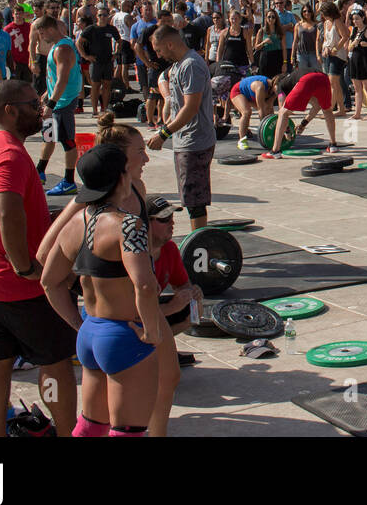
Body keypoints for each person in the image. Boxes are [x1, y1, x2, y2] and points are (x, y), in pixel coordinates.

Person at [0, 79, 79, 436]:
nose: (41, 109)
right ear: (9, 110)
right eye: (33, 104)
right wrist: (25, 266)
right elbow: (7, 209)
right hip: (20, 286)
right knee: (56, 364)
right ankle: (65, 432)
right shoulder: (9, 154)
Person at [42, 144, 163, 437]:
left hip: (91, 332)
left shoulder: (73, 224)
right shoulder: (128, 226)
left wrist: (78, 323)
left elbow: (49, 281)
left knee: (90, 427)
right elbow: (145, 284)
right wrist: (152, 331)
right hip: (124, 335)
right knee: (127, 431)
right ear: (121, 179)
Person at [146, 25, 217, 232]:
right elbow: (178, 104)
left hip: (195, 142)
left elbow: (191, 108)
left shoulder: (190, 65)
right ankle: (198, 241)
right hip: (185, 140)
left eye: (159, 50)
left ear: (170, 44)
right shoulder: (178, 65)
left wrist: (164, 133)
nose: (158, 55)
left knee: (195, 200)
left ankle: (199, 243)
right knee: (190, 198)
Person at [145, 193, 199, 436]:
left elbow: (183, 286)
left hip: (151, 316)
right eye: (163, 219)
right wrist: (171, 307)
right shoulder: (134, 257)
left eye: (172, 218)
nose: (171, 223)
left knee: (191, 308)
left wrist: (192, 295)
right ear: (145, 224)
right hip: (127, 322)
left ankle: (154, 353)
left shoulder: (168, 249)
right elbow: (129, 312)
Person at [30, 15, 84, 197]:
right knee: (48, 136)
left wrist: (51, 104)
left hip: (63, 102)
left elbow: (63, 79)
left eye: (42, 32)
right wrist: (46, 95)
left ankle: (69, 181)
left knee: (67, 141)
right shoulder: (56, 45)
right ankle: (40, 171)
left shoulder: (63, 49)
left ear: (51, 29)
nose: (41, 37)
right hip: (55, 99)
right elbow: (54, 78)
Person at [263, 68, 339, 155]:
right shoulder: (294, 78)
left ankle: (275, 151)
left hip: (307, 79)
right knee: (327, 110)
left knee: (282, 113)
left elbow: (282, 110)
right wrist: (303, 123)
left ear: (275, 85)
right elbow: (316, 106)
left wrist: (287, 131)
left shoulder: (280, 85)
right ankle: (333, 145)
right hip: (323, 78)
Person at [77, 8, 120, 118]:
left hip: (108, 60)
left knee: (107, 85)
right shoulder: (91, 29)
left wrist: (116, 53)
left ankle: (104, 109)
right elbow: (79, 43)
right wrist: (85, 56)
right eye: (100, 15)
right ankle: (95, 110)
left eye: (105, 15)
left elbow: (120, 42)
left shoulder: (111, 29)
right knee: (95, 85)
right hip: (95, 61)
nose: (103, 17)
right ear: (97, 16)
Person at [230, 74, 273, 151]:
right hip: (238, 92)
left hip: (249, 95)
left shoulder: (275, 90)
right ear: (274, 85)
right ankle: (242, 141)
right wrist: (264, 129)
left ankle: (247, 130)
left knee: (268, 109)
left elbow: (270, 109)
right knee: (246, 112)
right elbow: (260, 109)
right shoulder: (260, 86)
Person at [4, 5, 34, 83]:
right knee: (15, 85)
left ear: (23, 14)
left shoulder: (29, 27)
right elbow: (5, 47)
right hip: (15, 62)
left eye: (20, 14)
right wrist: (9, 62)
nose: (18, 16)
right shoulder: (7, 29)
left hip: (27, 60)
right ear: (13, 15)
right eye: (16, 14)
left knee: (27, 85)